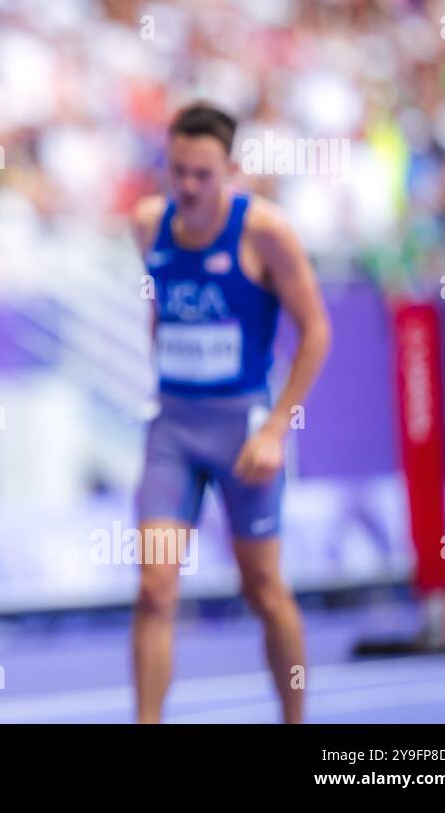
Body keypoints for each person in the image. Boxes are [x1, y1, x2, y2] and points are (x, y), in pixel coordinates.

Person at [128, 102, 332, 723]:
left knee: (264, 590)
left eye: (202, 175)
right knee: (155, 589)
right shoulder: (145, 224)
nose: (187, 188)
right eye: (177, 171)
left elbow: (316, 331)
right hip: (173, 428)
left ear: (231, 171)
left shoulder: (265, 231)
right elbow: (163, 306)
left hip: (244, 430)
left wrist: (276, 428)